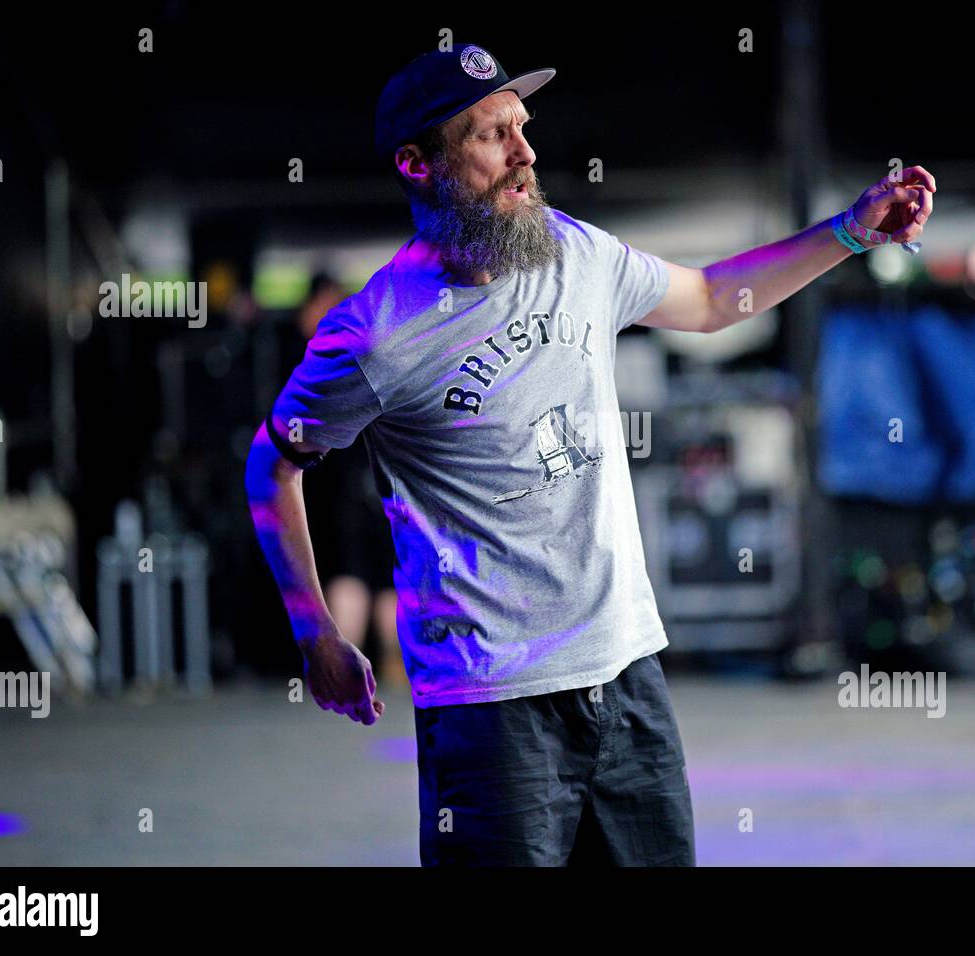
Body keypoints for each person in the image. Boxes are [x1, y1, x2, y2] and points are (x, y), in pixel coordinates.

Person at [244, 42, 934, 866]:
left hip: (627, 674)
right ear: (417, 163)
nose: (525, 152)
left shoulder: (574, 252)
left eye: (523, 126)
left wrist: (850, 232)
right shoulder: (376, 336)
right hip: (491, 704)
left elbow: (714, 299)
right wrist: (314, 629)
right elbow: (271, 464)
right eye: (491, 134)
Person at [290, 273, 407, 691]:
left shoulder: (314, 357)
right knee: (373, 575)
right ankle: (371, 663)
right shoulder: (367, 344)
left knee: (360, 574)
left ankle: (353, 664)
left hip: (344, 483)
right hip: (367, 478)